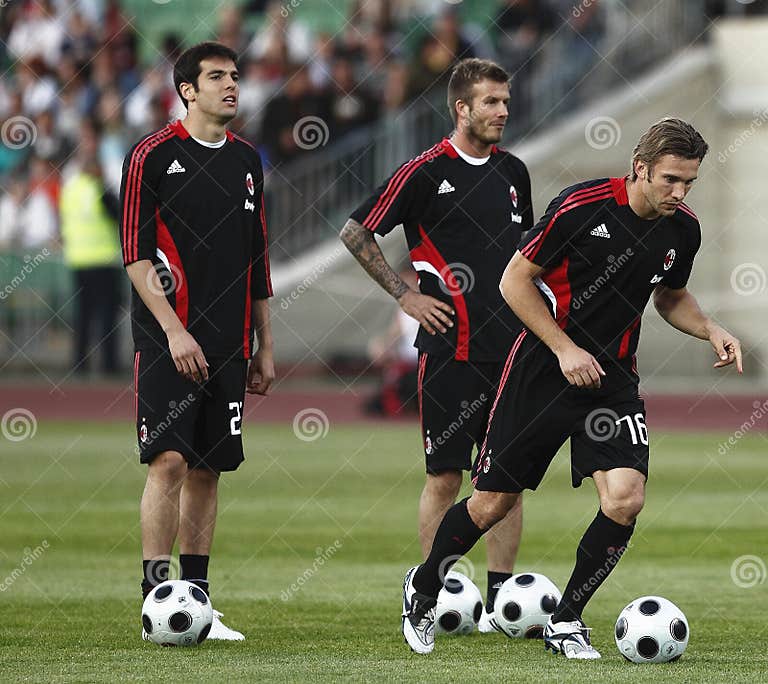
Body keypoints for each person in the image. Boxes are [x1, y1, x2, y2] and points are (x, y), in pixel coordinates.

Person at [400, 117, 743, 657]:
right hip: (540, 370)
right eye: (670, 180)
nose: (679, 193)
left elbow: (672, 297)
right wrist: (564, 348)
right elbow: (513, 281)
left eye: (689, 183)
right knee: (491, 504)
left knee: (626, 500)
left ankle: (567, 621)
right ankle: (421, 592)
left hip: (613, 383)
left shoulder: (684, 229)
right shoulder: (580, 207)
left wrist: (712, 328)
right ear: (640, 168)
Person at [340, 58, 532, 641]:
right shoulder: (423, 172)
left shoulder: (515, 172)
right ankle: (430, 593)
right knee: (446, 477)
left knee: (505, 479)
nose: (503, 111)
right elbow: (356, 231)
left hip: (511, 348)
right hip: (449, 349)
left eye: (505, 100)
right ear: (462, 108)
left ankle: (501, 600)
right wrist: (405, 296)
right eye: (492, 102)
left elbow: (524, 257)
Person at [118, 42, 274, 642]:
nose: (231, 85)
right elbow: (133, 255)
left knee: (209, 470)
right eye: (217, 77)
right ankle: (156, 597)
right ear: (187, 89)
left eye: (235, 76)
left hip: (229, 341)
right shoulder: (151, 156)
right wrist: (174, 330)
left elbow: (259, 259)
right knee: (169, 461)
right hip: (166, 338)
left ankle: (199, 604)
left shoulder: (247, 160)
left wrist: (264, 344)